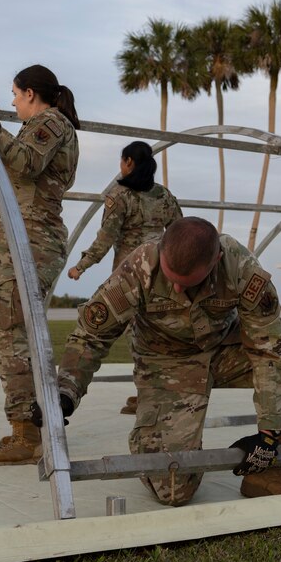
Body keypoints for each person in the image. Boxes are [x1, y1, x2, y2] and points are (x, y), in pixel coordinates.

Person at [51, 216, 281, 505]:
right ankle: (153, 434)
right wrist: (67, 391)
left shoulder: (240, 268)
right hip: (168, 365)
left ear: (216, 260)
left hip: (227, 348)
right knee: (174, 489)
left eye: (189, 284)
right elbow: (91, 336)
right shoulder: (138, 269)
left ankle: (265, 466)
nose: (178, 290)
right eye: (171, 280)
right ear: (162, 248)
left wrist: (269, 433)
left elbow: (266, 348)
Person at [0, 64, 80, 466]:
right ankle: (33, 424)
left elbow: (27, 163)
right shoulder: (43, 126)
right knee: (16, 334)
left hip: (28, 244)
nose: (11, 101)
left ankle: (25, 434)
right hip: (23, 242)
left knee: (7, 336)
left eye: (14, 93)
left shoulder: (51, 123)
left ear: (30, 94)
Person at [66, 140, 182, 415]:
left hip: (130, 277)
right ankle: (154, 392)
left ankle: (150, 395)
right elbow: (179, 234)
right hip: (161, 273)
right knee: (157, 334)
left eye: (122, 161)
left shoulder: (119, 196)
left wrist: (81, 266)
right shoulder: (164, 195)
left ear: (129, 162)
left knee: (135, 335)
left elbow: (105, 238)